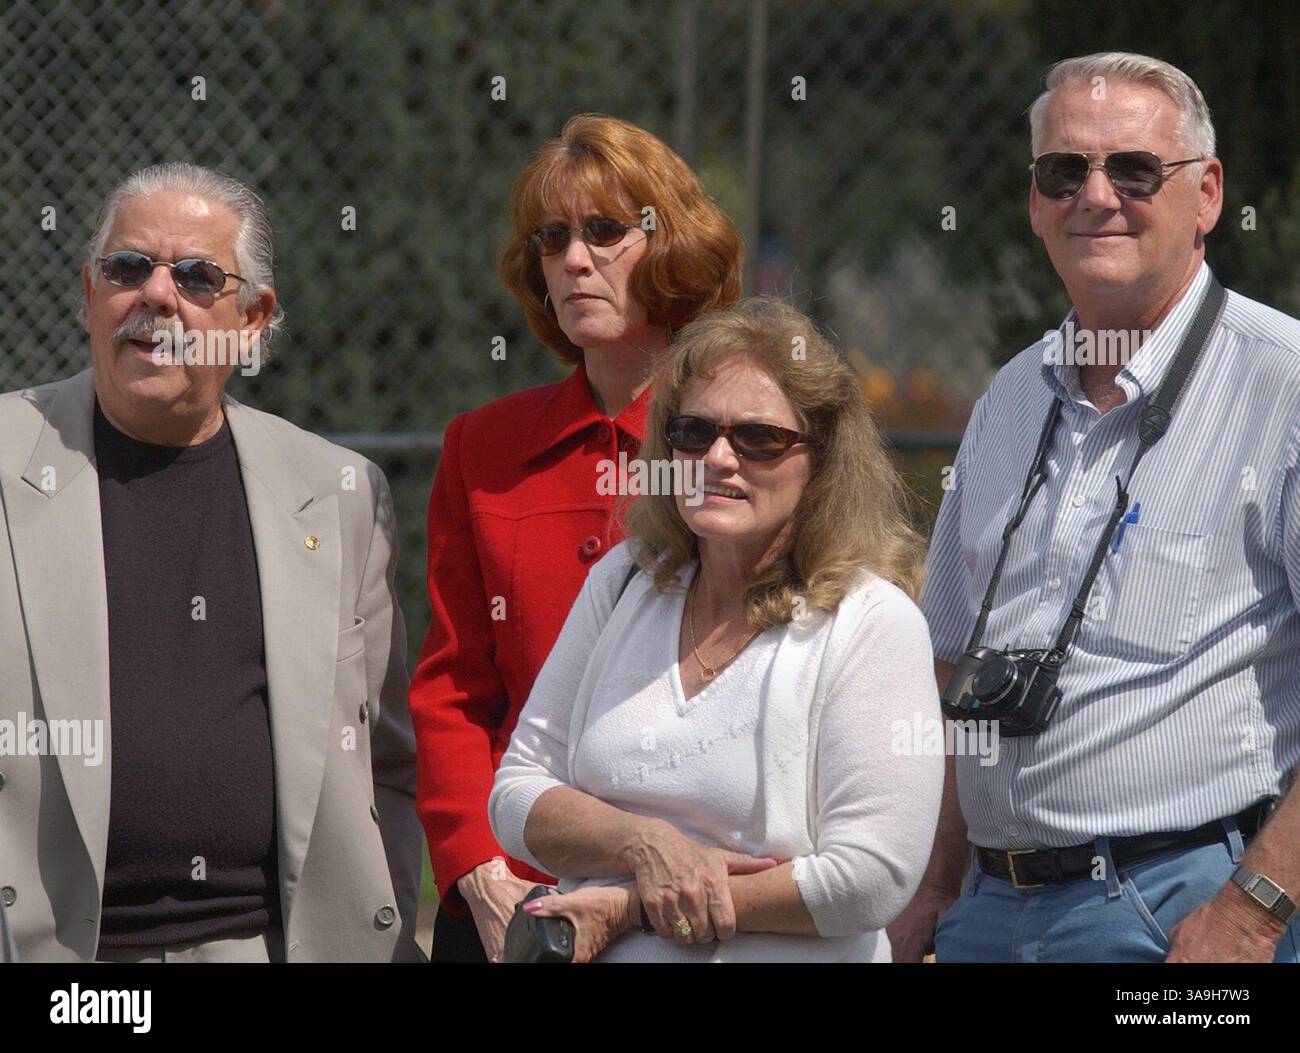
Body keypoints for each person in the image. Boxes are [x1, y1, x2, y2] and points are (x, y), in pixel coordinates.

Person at [892, 52, 1300, 963]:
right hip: (988, 912)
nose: (1096, 194)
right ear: (1036, 204)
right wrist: (931, 888)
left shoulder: (1284, 385)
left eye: (1134, 169)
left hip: (1186, 910)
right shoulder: (1008, 397)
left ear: (1206, 196)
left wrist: (1253, 909)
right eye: (1064, 170)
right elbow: (960, 668)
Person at [0, 162, 422, 962]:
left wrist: (385, 924)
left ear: (253, 319)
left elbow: (384, 765)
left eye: (196, 276)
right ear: (90, 292)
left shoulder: (337, 494)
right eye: (128, 268)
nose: (156, 295)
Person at [487, 298, 944, 962]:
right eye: (694, 431)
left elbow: (870, 879)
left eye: (758, 438)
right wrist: (648, 844)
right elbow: (517, 793)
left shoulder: (870, 621)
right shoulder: (623, 580)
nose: (719, 458)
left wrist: (635, 904)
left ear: (818, 459)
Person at [408, 114, 744, 962]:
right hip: (512, 893)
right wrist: (475, 866)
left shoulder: (751, 442)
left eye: (603, 232)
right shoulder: (481, 448)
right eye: (552, 238)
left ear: (671, 245)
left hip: (700, 889)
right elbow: (453, 687)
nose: (573, 259)